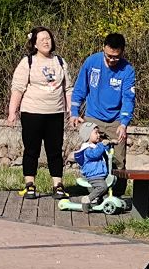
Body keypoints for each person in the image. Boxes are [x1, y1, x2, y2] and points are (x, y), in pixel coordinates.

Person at [7, 27, 72, 200]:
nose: (46, 41)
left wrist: (71, 110)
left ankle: (57, 185)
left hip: (55, 113)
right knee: (31, 150)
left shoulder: (60, 61)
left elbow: (68, 88)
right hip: (32, 113)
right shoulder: (27, 62)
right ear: (34, 43)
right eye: (42, 39)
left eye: (48, 38)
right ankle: (30, 184)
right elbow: (18, 88)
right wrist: (12, 112)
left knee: (55, 150)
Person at [70, 33, 136, 171]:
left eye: (116, 57)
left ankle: (117, 191)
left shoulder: (127, 70)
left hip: (116, 121)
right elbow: (80, 88)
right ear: (103, 48)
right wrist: (74, 112)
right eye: (109, 56)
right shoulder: (91, 62)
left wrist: (124, 123)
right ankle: (93, 188)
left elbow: (128, 98)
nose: (112, 60)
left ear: (122, 52)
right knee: (91, 157)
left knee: (118, 161)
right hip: (93, 117)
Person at [72, 123, 111, 211]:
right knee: (102, 187)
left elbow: (103, 151)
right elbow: (95, 154)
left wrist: (108, 146)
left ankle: (98, 202)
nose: (98, 135)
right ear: (88, 135)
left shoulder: (96, 146)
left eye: (98, 133)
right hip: (93, 175)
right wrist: (102, 145)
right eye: (96, 133)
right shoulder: (87, 149)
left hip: (100, 174)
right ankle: (87, 199)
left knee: (105, 191)